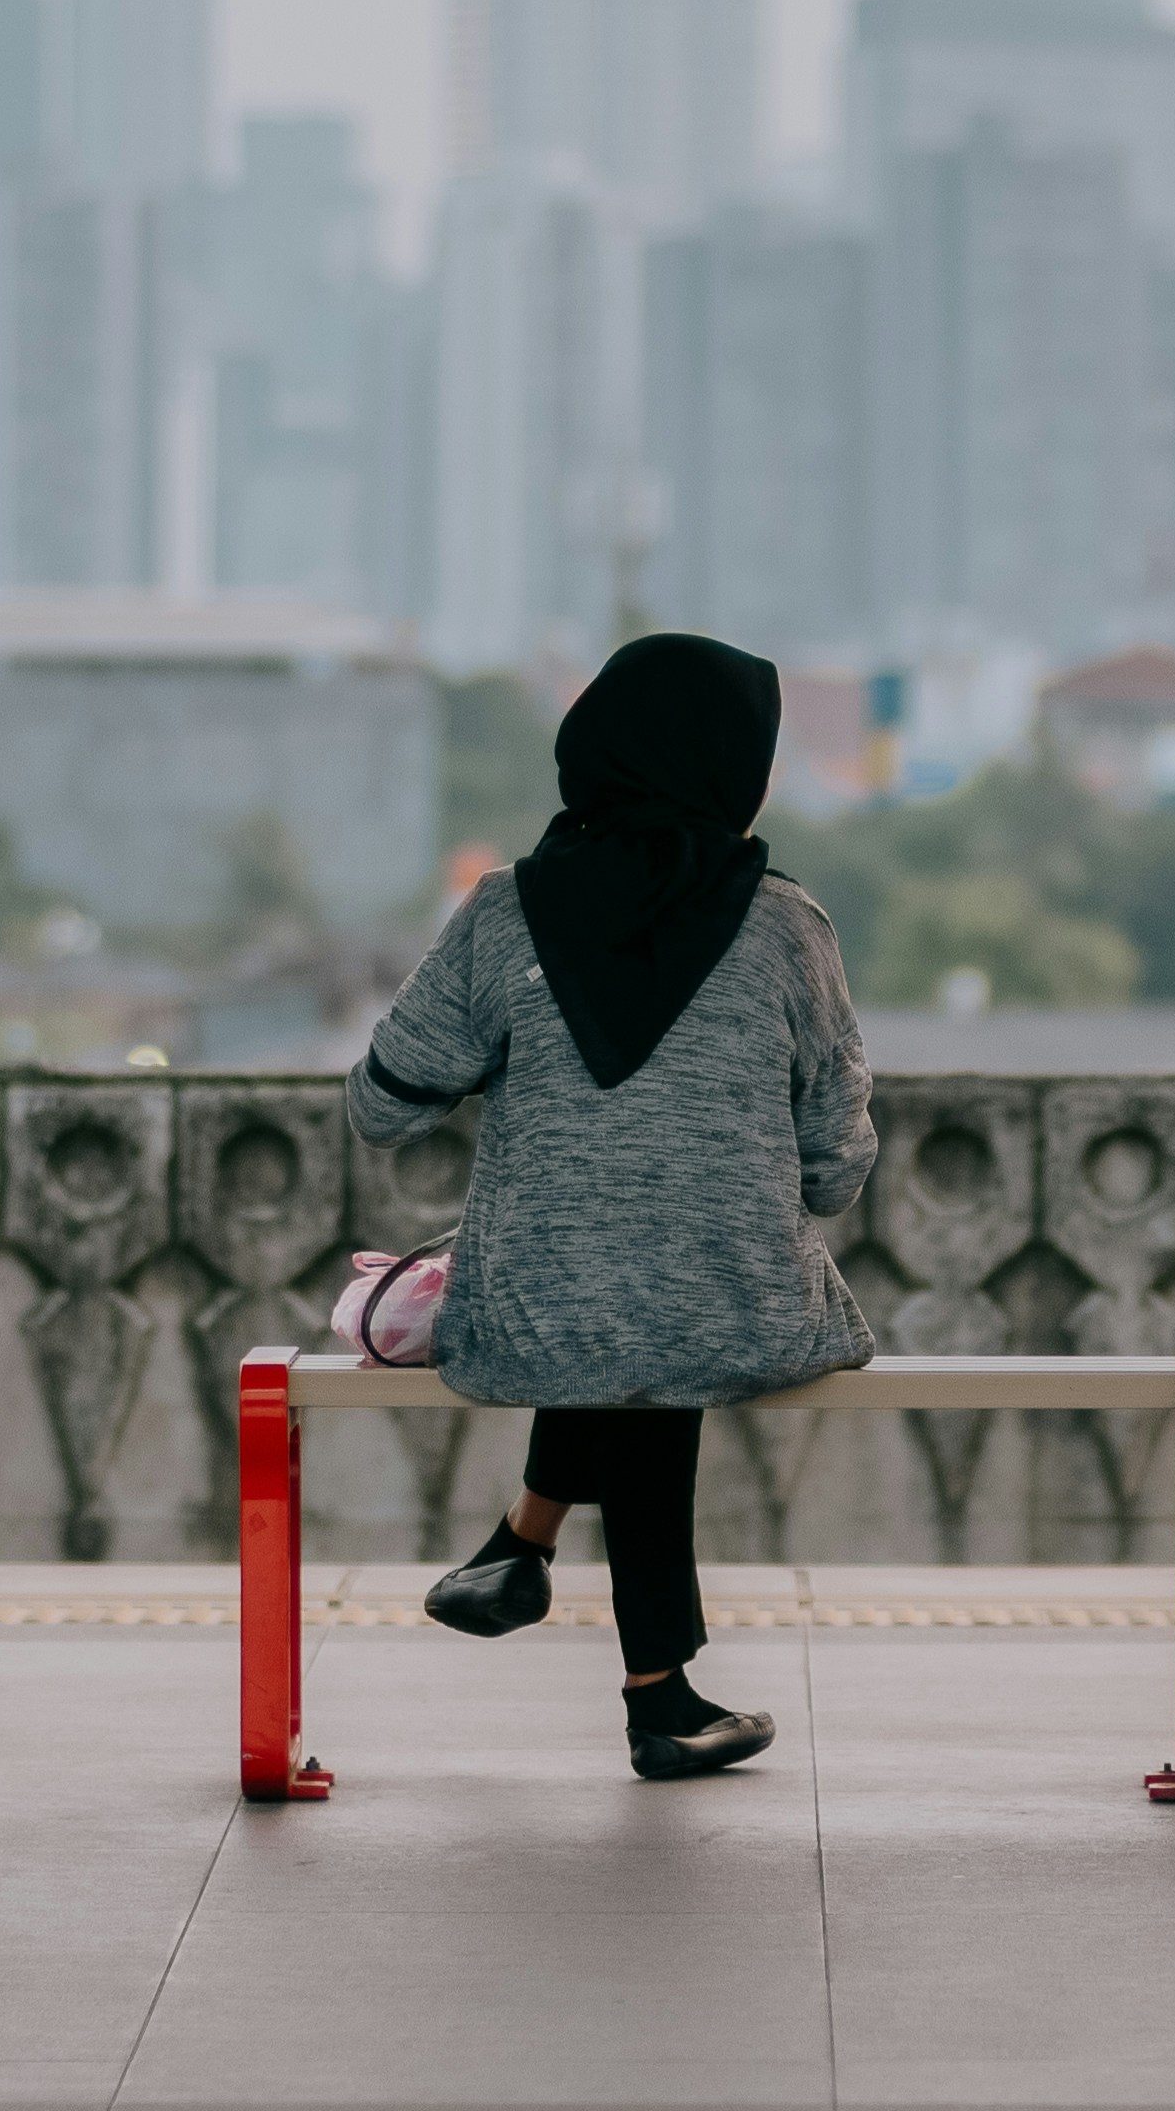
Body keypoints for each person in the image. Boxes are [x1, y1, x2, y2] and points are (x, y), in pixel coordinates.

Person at [344, 631, 877, 1780]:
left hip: (532, 1313)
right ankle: (651, 1687)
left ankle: (530, 1545)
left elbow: (382, 1107)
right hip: (739, 1304)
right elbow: (835, 1165)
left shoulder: (503, 912)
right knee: (659, 1306)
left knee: (608, 1302)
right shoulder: (790, 927)